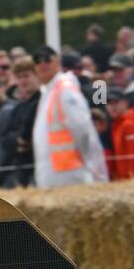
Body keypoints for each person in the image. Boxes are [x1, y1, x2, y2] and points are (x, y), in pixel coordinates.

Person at [32, 45, 107, 188]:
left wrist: (91, 165)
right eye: (37, 61)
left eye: (47, 59)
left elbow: (86, 127)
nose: (42, 64)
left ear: (58, 63)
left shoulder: (70, 87)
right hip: (58, 171)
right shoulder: (49, 91)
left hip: (71, 170)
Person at [0, 56, 40, 188]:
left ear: (36, 75)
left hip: (38, 168)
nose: (23, 81)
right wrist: (20, 141)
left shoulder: (43, 101)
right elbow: (5, 139)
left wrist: (22, 140)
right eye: (19, 77)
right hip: (20, 170)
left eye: (26, 76)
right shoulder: (19, 107)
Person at [105, 88, 134, 179]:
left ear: (126, 103)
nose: (112, 106)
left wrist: (133, 179)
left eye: (116, 102)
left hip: (132, 180)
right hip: (125, 179)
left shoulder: (129, 124)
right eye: (109, 103)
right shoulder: (117, 124)